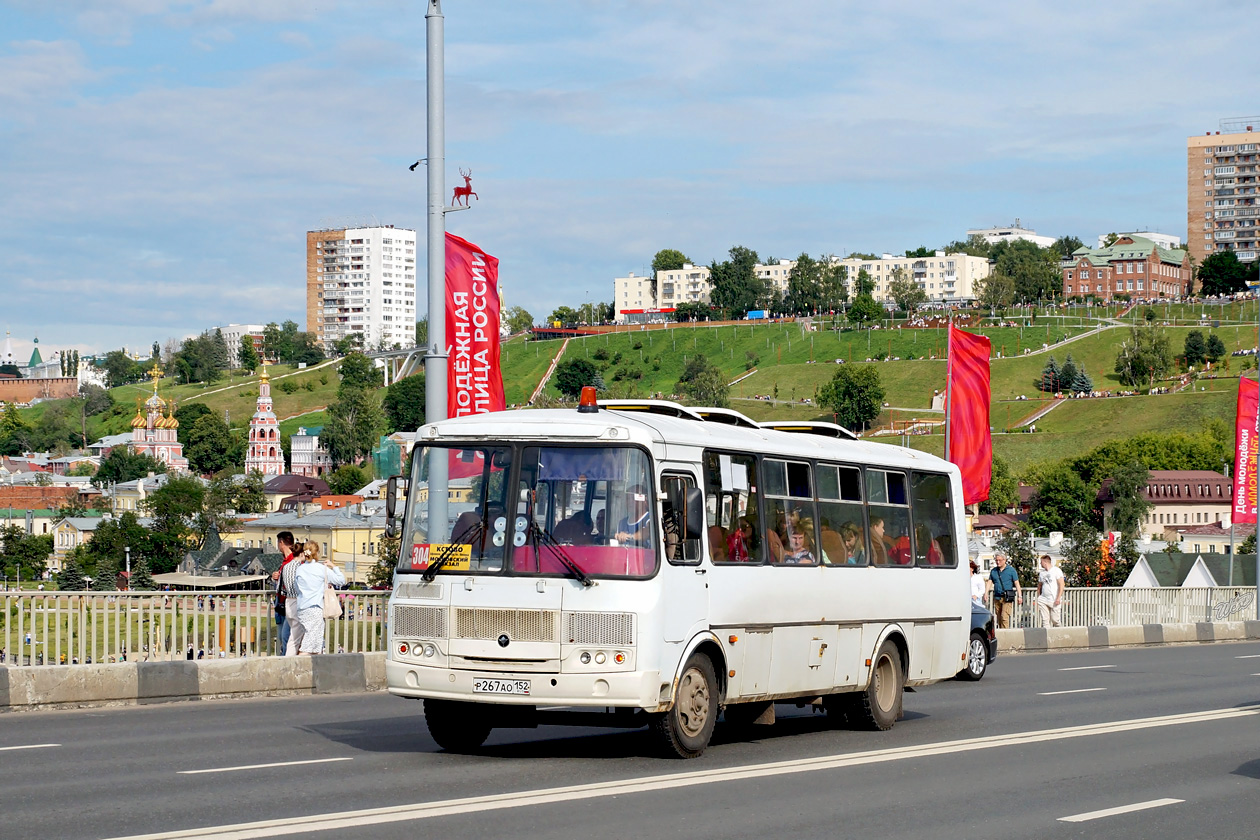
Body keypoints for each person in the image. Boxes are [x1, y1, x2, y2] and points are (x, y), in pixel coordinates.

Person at [292, 541, 346, 655]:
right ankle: (299, 666)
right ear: (317, 553)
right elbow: (341, 580)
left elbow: (297, 589)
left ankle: (315, 668)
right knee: (309, 644)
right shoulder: (321, 569)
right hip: (315, 608)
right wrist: (334, 566)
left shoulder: (299, 569)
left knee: (315, 641)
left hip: (302, 608)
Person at [271, 531, 298, 655]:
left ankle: (286, 659)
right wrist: (276, 577)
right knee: (284, 636)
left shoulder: (292, 561)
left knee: (286, 636)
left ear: (281, 542)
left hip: (288, 600)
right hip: (283, 601)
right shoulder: (286, 561)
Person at [988, 553, 1022, 629]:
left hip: (1007, 597)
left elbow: (1016, 583)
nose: (998, 562)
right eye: (996, 560)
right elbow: (989, 581)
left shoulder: (1011, 570)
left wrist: (1020, 596)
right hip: (997, 597)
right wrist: (986, 593)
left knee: (1004, 617)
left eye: (999, 560)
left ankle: (1005, 634)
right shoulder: (994, 571)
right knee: (999, 618)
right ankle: (1001, 632)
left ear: (1004, 560)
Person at [1036, 554, 1065, 627]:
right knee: (1045, 620)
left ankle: (1059, 632)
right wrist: (1039, 596)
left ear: (1045, 562)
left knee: (1055, 620)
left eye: (1041, 562)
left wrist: (1058, 598)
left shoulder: (1056, 571)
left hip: (1054, 599)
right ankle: (1047, 636)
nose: (1040, 564)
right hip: (1043, 599)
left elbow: (1061, 584)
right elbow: (1039, 585)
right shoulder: (1042, 573)